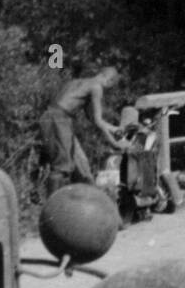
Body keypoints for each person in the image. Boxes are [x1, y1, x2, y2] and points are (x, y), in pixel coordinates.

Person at [37, 66, 128, 199]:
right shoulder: (97, 87)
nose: (106, 90)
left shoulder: (77, 82)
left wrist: (112, 132)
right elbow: (98, 121)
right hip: (59, 119)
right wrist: (115, 141)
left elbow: (93, 119)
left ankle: (87, 202)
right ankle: (53, 208)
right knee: (62, 165)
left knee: (81, 165)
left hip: (51, 117)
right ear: (109, 80)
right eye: (109, 87)